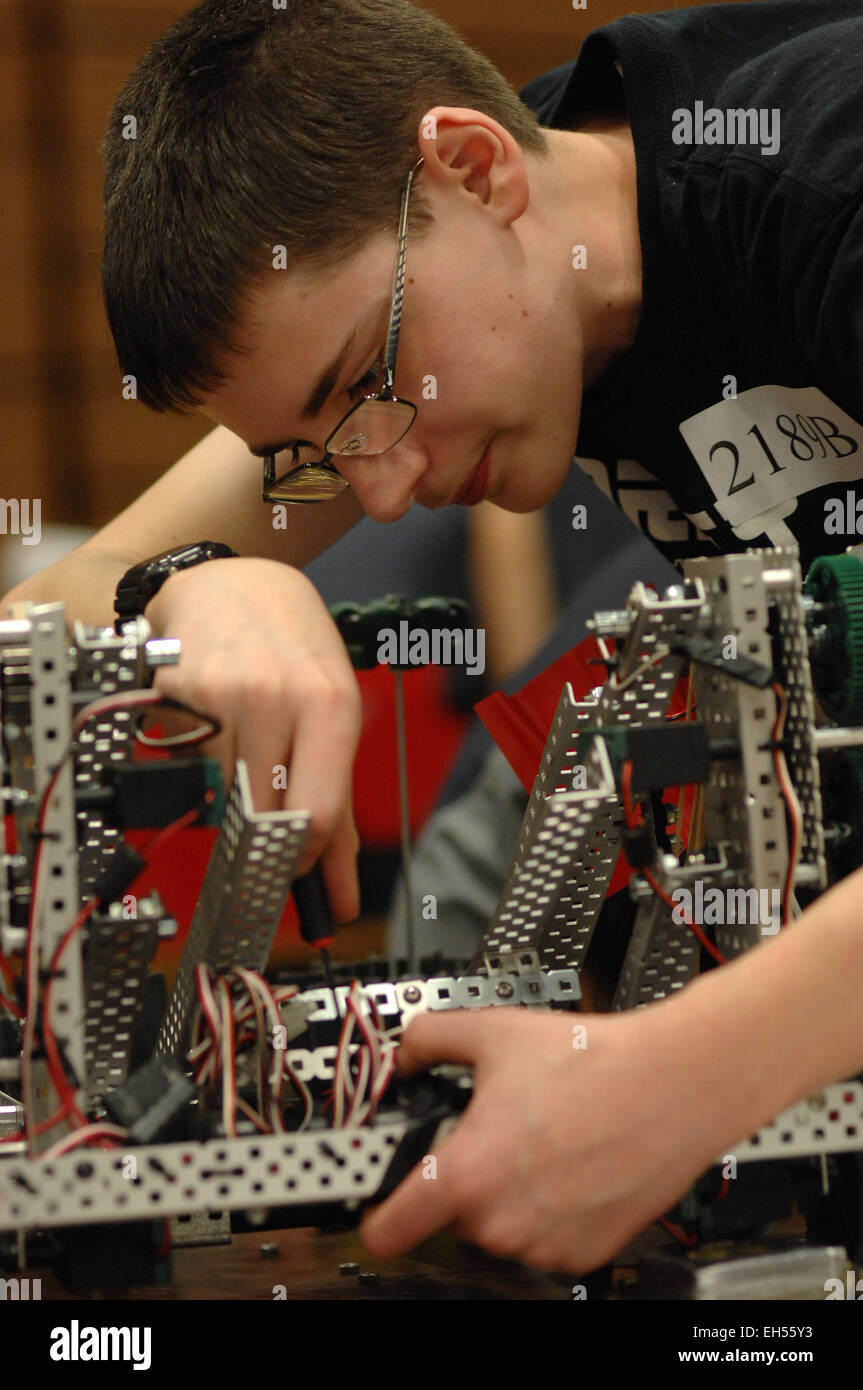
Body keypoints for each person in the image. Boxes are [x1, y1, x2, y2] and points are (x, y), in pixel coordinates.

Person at [5, 0, 863, 1275]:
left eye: (366, 383)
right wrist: (194, 584)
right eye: (311, 452)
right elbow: (61, 595)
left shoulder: (820, 178)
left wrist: (669, 1086)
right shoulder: (438, 248)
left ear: (474, 167)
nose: (382, 487)